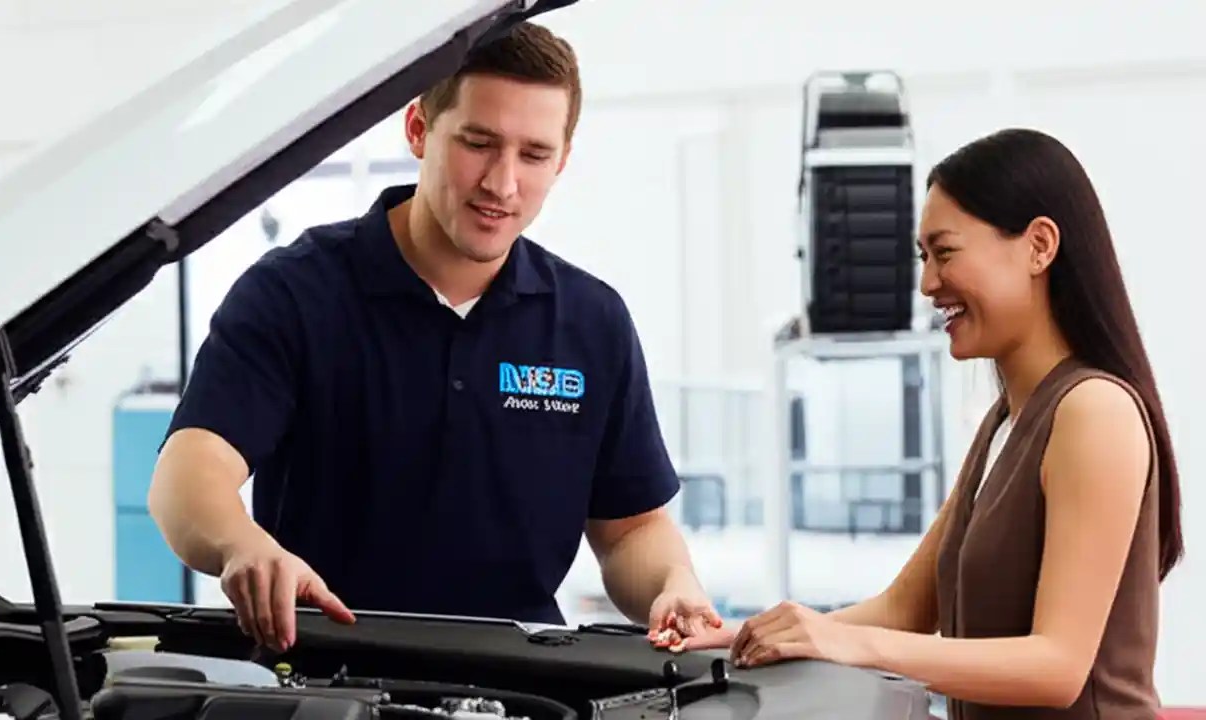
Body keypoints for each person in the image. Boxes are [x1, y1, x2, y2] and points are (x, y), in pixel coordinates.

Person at [148, 22, 720, 653]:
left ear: (562, 159)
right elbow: (188, 474)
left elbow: (631, 531)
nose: (502, 184)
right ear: (418, 129)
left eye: (533, 155)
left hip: (524, 684)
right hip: (325, 675)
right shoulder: (294, 294)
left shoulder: (592, 323)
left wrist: (674, 582)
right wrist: (243, 546)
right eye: (478, 143)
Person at [659, 128, 1182, 718]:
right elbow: (904, 609)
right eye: (922, 256)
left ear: (1039, 246)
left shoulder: (1094, 411)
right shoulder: (1006, 423)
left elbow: (1058, 667)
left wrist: (848, 643)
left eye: (945, 252)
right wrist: (744, 635)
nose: (928, 283)